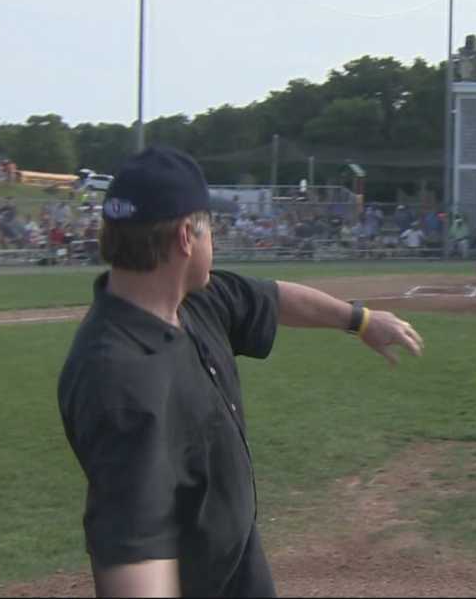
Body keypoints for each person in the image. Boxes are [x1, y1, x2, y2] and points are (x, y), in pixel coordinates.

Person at [58, 147, 424, 598]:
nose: (217, 239)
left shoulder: (197, 302)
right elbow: (135, 553)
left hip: (238, 564)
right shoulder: (121, 377)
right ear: (184, 239)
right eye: (211, 227)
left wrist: (361, 321)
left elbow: (273, 298)